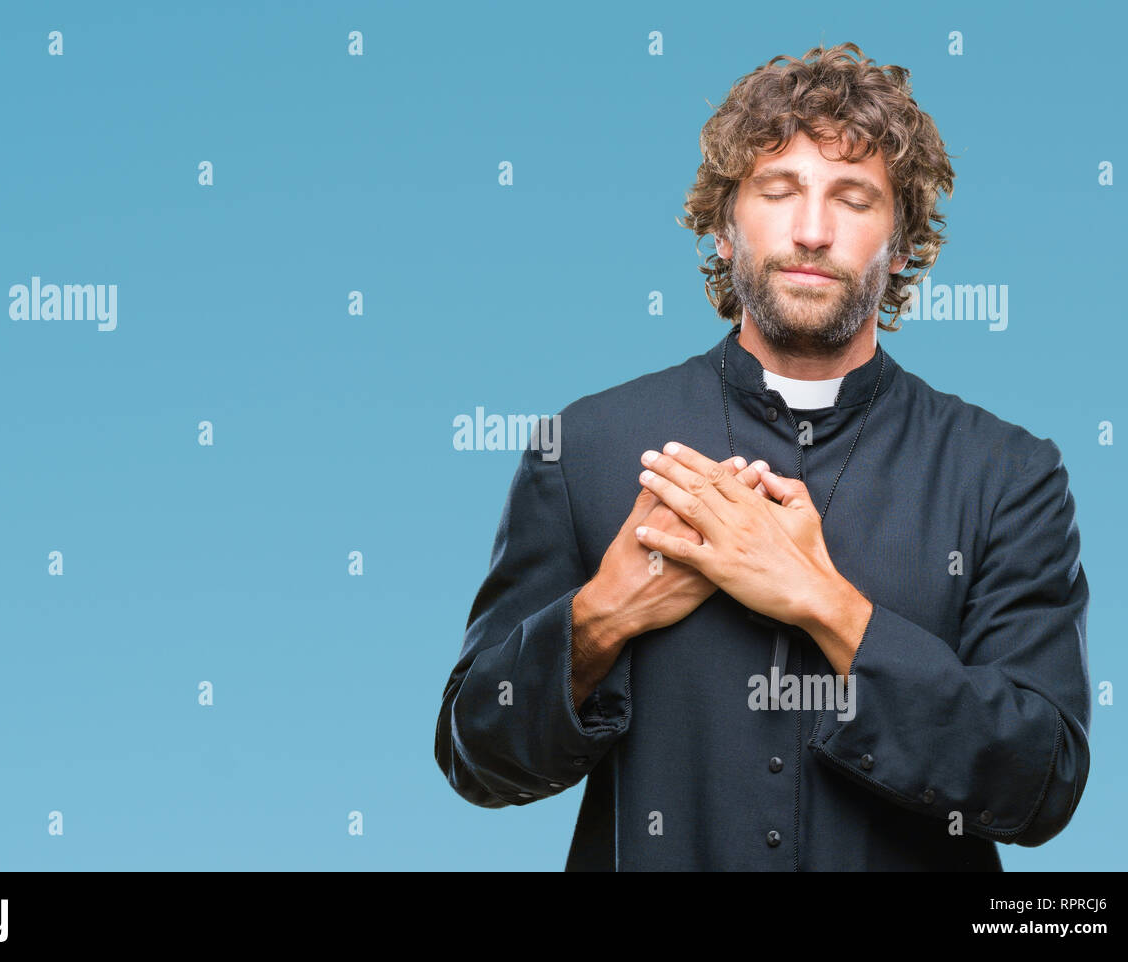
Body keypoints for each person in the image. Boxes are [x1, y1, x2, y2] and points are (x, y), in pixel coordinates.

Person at [433, 42, 1090, 870]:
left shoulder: (1007, 475)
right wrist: (602, 615)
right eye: (779, 191)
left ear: (900, 244)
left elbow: (1043, 783)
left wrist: (827, 606)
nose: (813, 232)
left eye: (854, 199)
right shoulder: (585, 447)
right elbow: (474, 756)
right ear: (723, 224)